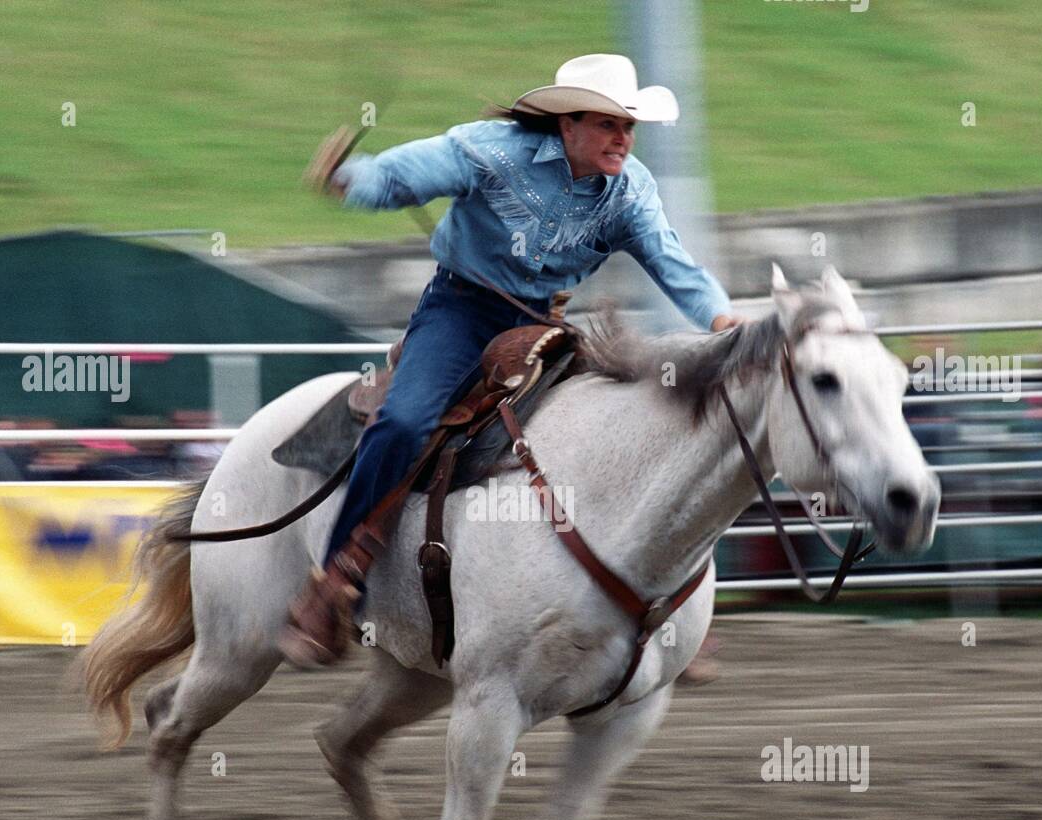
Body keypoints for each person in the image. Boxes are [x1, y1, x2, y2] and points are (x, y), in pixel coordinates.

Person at [281, 53, 738, 666]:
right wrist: (353, 178)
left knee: (629, 427)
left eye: (628, 127)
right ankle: (337, 578)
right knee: (404, 422)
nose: (623, 139)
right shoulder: (493, 151)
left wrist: (721, 318)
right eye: (609, 125)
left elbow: (671, 261)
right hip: (461, 314)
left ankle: (657, 601)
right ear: (567, 124)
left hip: (545, 323)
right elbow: (408, 174)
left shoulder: (630, 191)